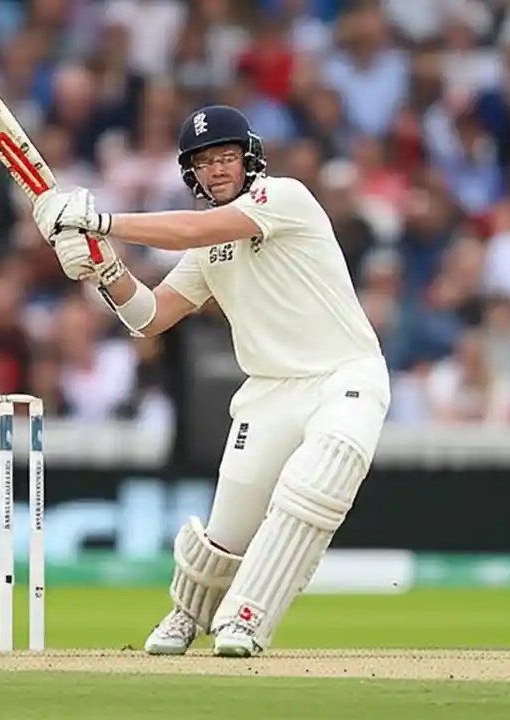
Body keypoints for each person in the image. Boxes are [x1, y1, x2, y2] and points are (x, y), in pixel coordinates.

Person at [32, 106, 390, 657]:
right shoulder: (207, 248)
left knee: (316, 483)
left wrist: (102, 222)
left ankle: (246, 617)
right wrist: (106, 270)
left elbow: (194, 228)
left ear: (249, 160)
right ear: (191, 172)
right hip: (269, 392)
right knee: (226, 533)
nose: (217, 169)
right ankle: (185, 615)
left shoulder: (284, 198)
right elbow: (150, 316)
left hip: (344, 374)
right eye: (204, 161)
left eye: (226, 157)